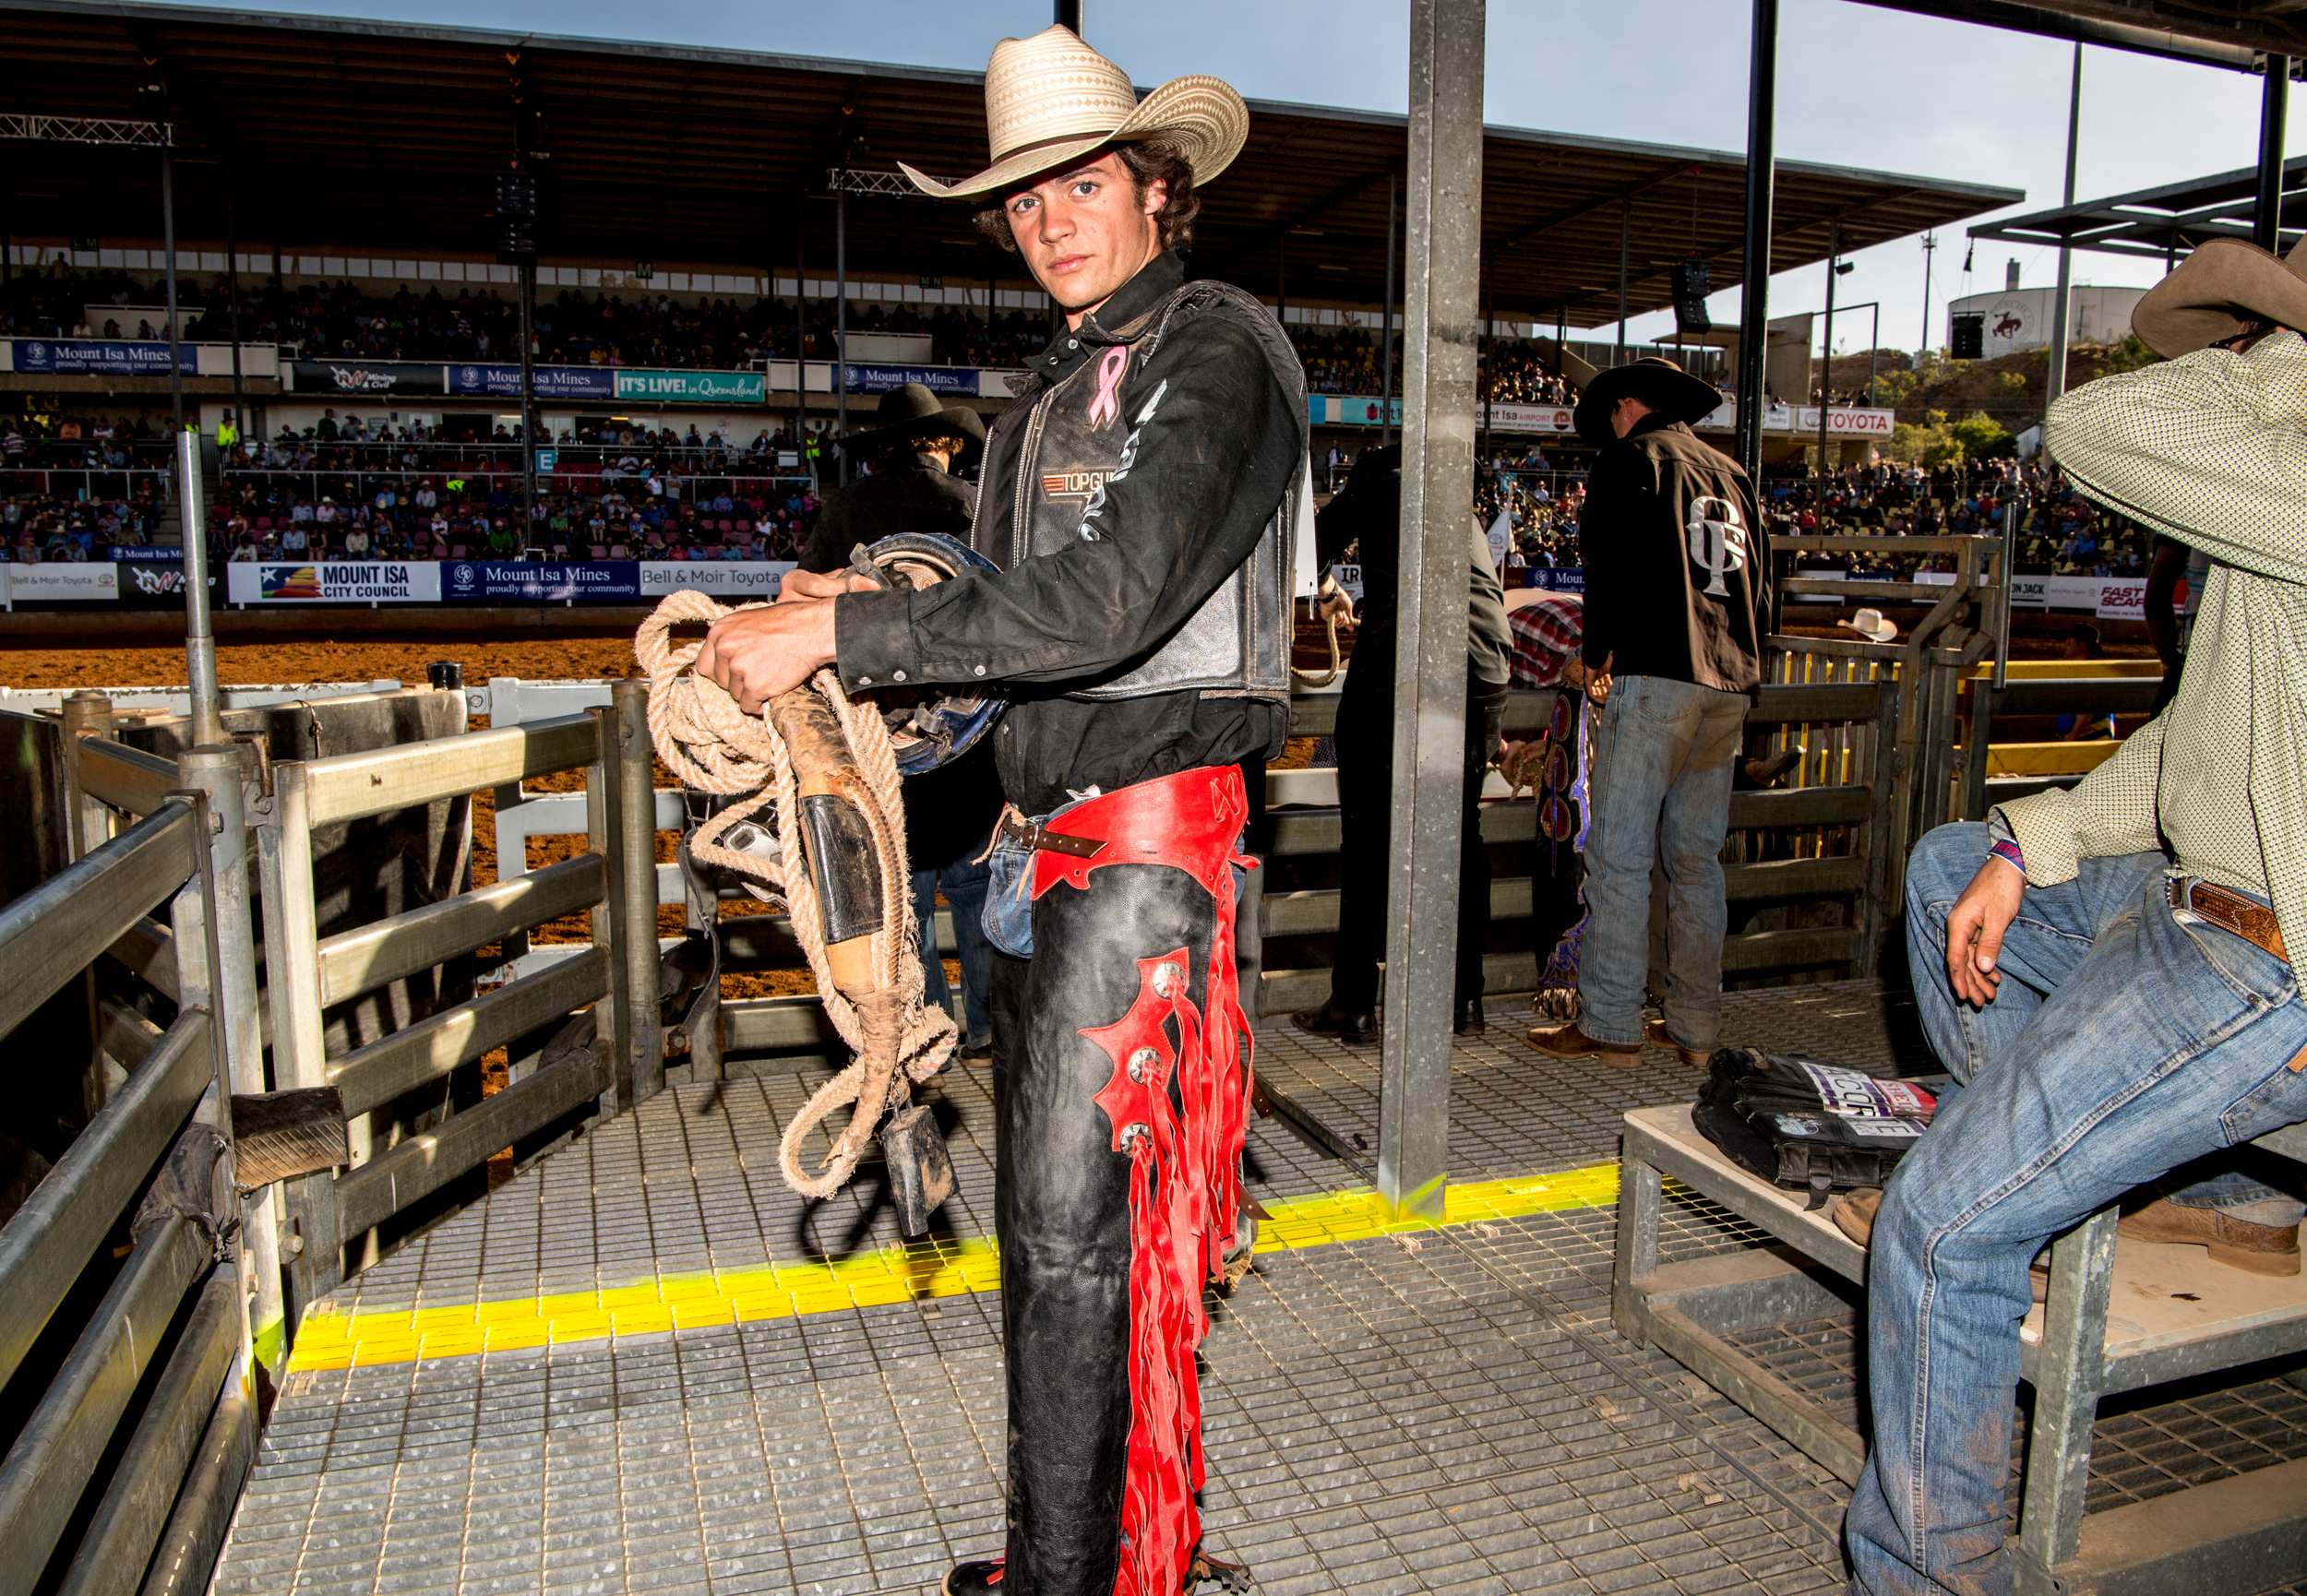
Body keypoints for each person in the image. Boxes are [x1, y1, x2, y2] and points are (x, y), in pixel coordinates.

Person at [692, 26, 1301, 1596]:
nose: (1048, 222)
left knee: (1076, 1249)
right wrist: (882, 598)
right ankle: (1074, 1559)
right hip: (1054, 857)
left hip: (1142, 862)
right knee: (1062, 1251)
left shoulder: (1216, 352)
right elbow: (1013, 619)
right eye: (1025, 204)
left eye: (1080, 186)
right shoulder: (1054, 392)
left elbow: (1106, 601)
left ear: (1159, 189)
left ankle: (1070, 1579)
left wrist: (844, 635)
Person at [1843, 238, 2307, 1596]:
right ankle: (2095, 1191)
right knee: (1947, 871)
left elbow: (2090, 423)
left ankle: (1929, 1564)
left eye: (2257, 347)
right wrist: (2022, 842)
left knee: (1937, 1224)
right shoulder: (2272, 517)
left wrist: (2281, 340)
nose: (2231, 362)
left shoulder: (2293, 472)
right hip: (2194, 894)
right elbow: (2191, 745)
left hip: (2265, 956)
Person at [1526, 358, 1770, 1067]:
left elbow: (1607, 562)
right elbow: (1763, 584)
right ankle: (1696, 1028)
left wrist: (1596, 654)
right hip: (1729, 681)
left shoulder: (1628, 460)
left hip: (1659, 670)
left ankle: (1609, 1022)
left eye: (1610, 412)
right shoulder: (1734, 473)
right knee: (1696, 863)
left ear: (1629, 405)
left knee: (1620, 859)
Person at [796, 383, 999, 1063]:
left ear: (881, 452)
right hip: (970, 731)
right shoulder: (980, 508)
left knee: (903, 894)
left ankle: (928, 1025)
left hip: (886, 736)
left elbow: (804, 607)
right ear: (944, 445)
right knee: (976, 882)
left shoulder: (844, 510)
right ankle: (989, 1023)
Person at [1292, 445, 1512, 1044]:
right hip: (1486, 661)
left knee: (1367, 838)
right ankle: (1465, 1001)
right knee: (1462, 836)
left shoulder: (1379, 480)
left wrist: (1333, 590)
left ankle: (1354, 1003)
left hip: (1407, 658)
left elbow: (1304, 556)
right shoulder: (1454, 499)